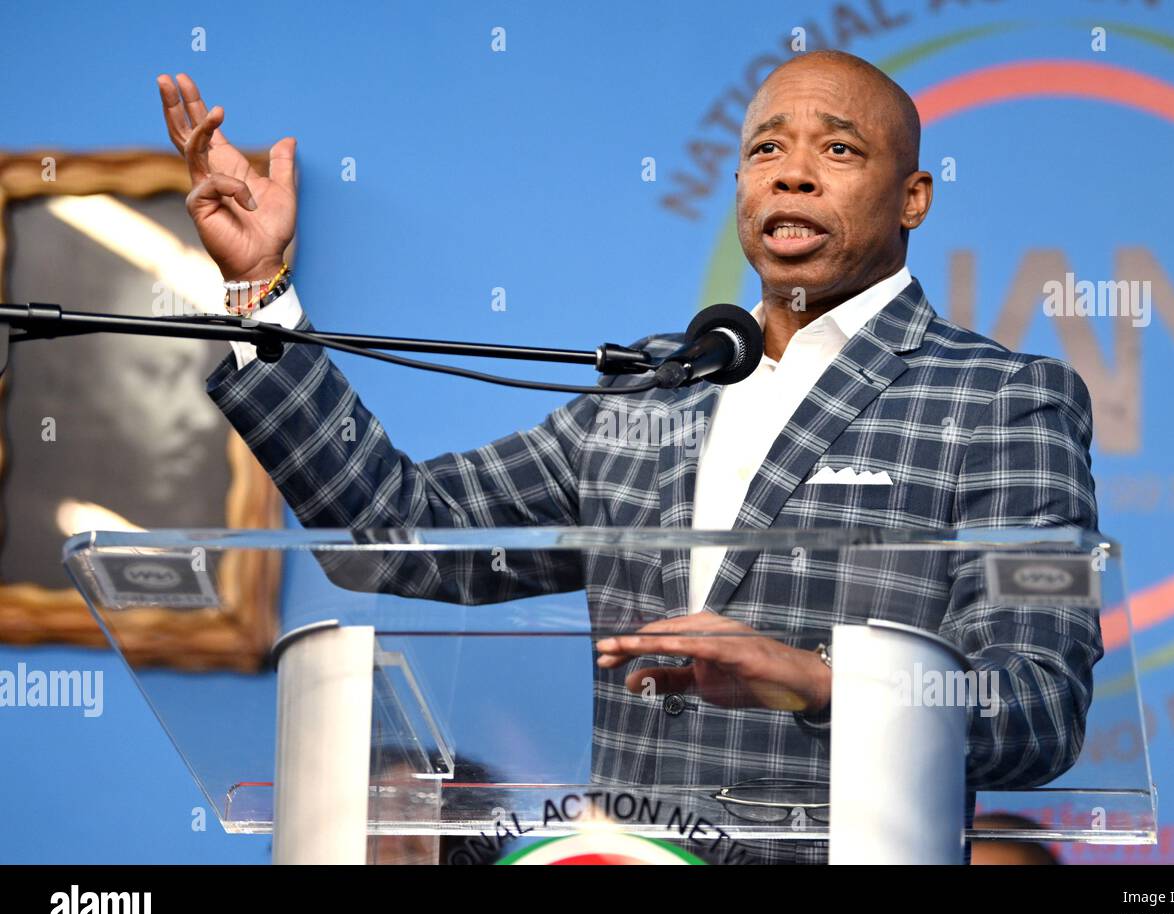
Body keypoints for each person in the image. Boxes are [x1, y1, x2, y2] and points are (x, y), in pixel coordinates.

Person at [157, 49, 1103, 865]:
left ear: (913, 197)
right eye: (766, 149)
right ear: (739, 188)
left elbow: (1038, 707)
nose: (793, 173)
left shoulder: (1003, 399)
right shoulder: (657, 387)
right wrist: (260, 292)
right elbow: (396, 533)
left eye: (839, 149)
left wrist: (817, 679)